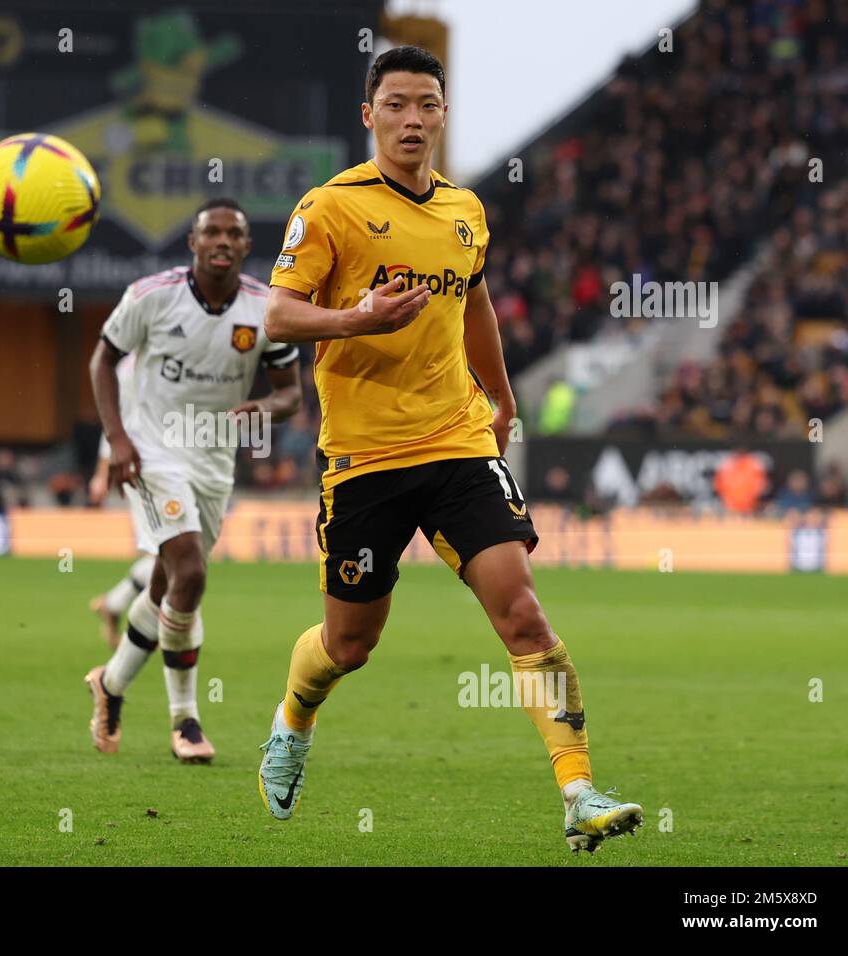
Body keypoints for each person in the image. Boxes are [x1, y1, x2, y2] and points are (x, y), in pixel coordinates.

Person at [255, 47, 642, 854]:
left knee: (524, 611)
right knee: (349, 646)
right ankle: (293, 720)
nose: (411, 120)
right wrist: (356, 320)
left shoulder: (466, 209)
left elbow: (474, 301)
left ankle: (579, 792)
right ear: (369, 115)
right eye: (395, 105)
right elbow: (277, 318)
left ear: (442, 113)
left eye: (426, 105)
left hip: (458, 440)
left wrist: (501, 396)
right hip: (363, 456)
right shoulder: (328, 209)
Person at [85, 197, 302, 764]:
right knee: (191, 572)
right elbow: (102, 361)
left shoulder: (264, 309)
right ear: (193, 243)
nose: (223, 241)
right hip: (154, 452)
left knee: (166, 586)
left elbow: (291, 392)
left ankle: (109, 685)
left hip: (213, 462)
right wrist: (119, 440)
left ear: (247, 246)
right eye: (212, 232)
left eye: (234, 233)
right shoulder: (150, 296)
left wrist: (262, 409)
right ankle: (186, 721)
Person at [86, 351, 157, 650]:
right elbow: (113, 422)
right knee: (168, 552)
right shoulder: (128, 370)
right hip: (141, 469)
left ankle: (114, 605)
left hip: (167, 468)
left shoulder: (162, 357)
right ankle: (145, 629)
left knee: (170, 553)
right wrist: (102, 473)